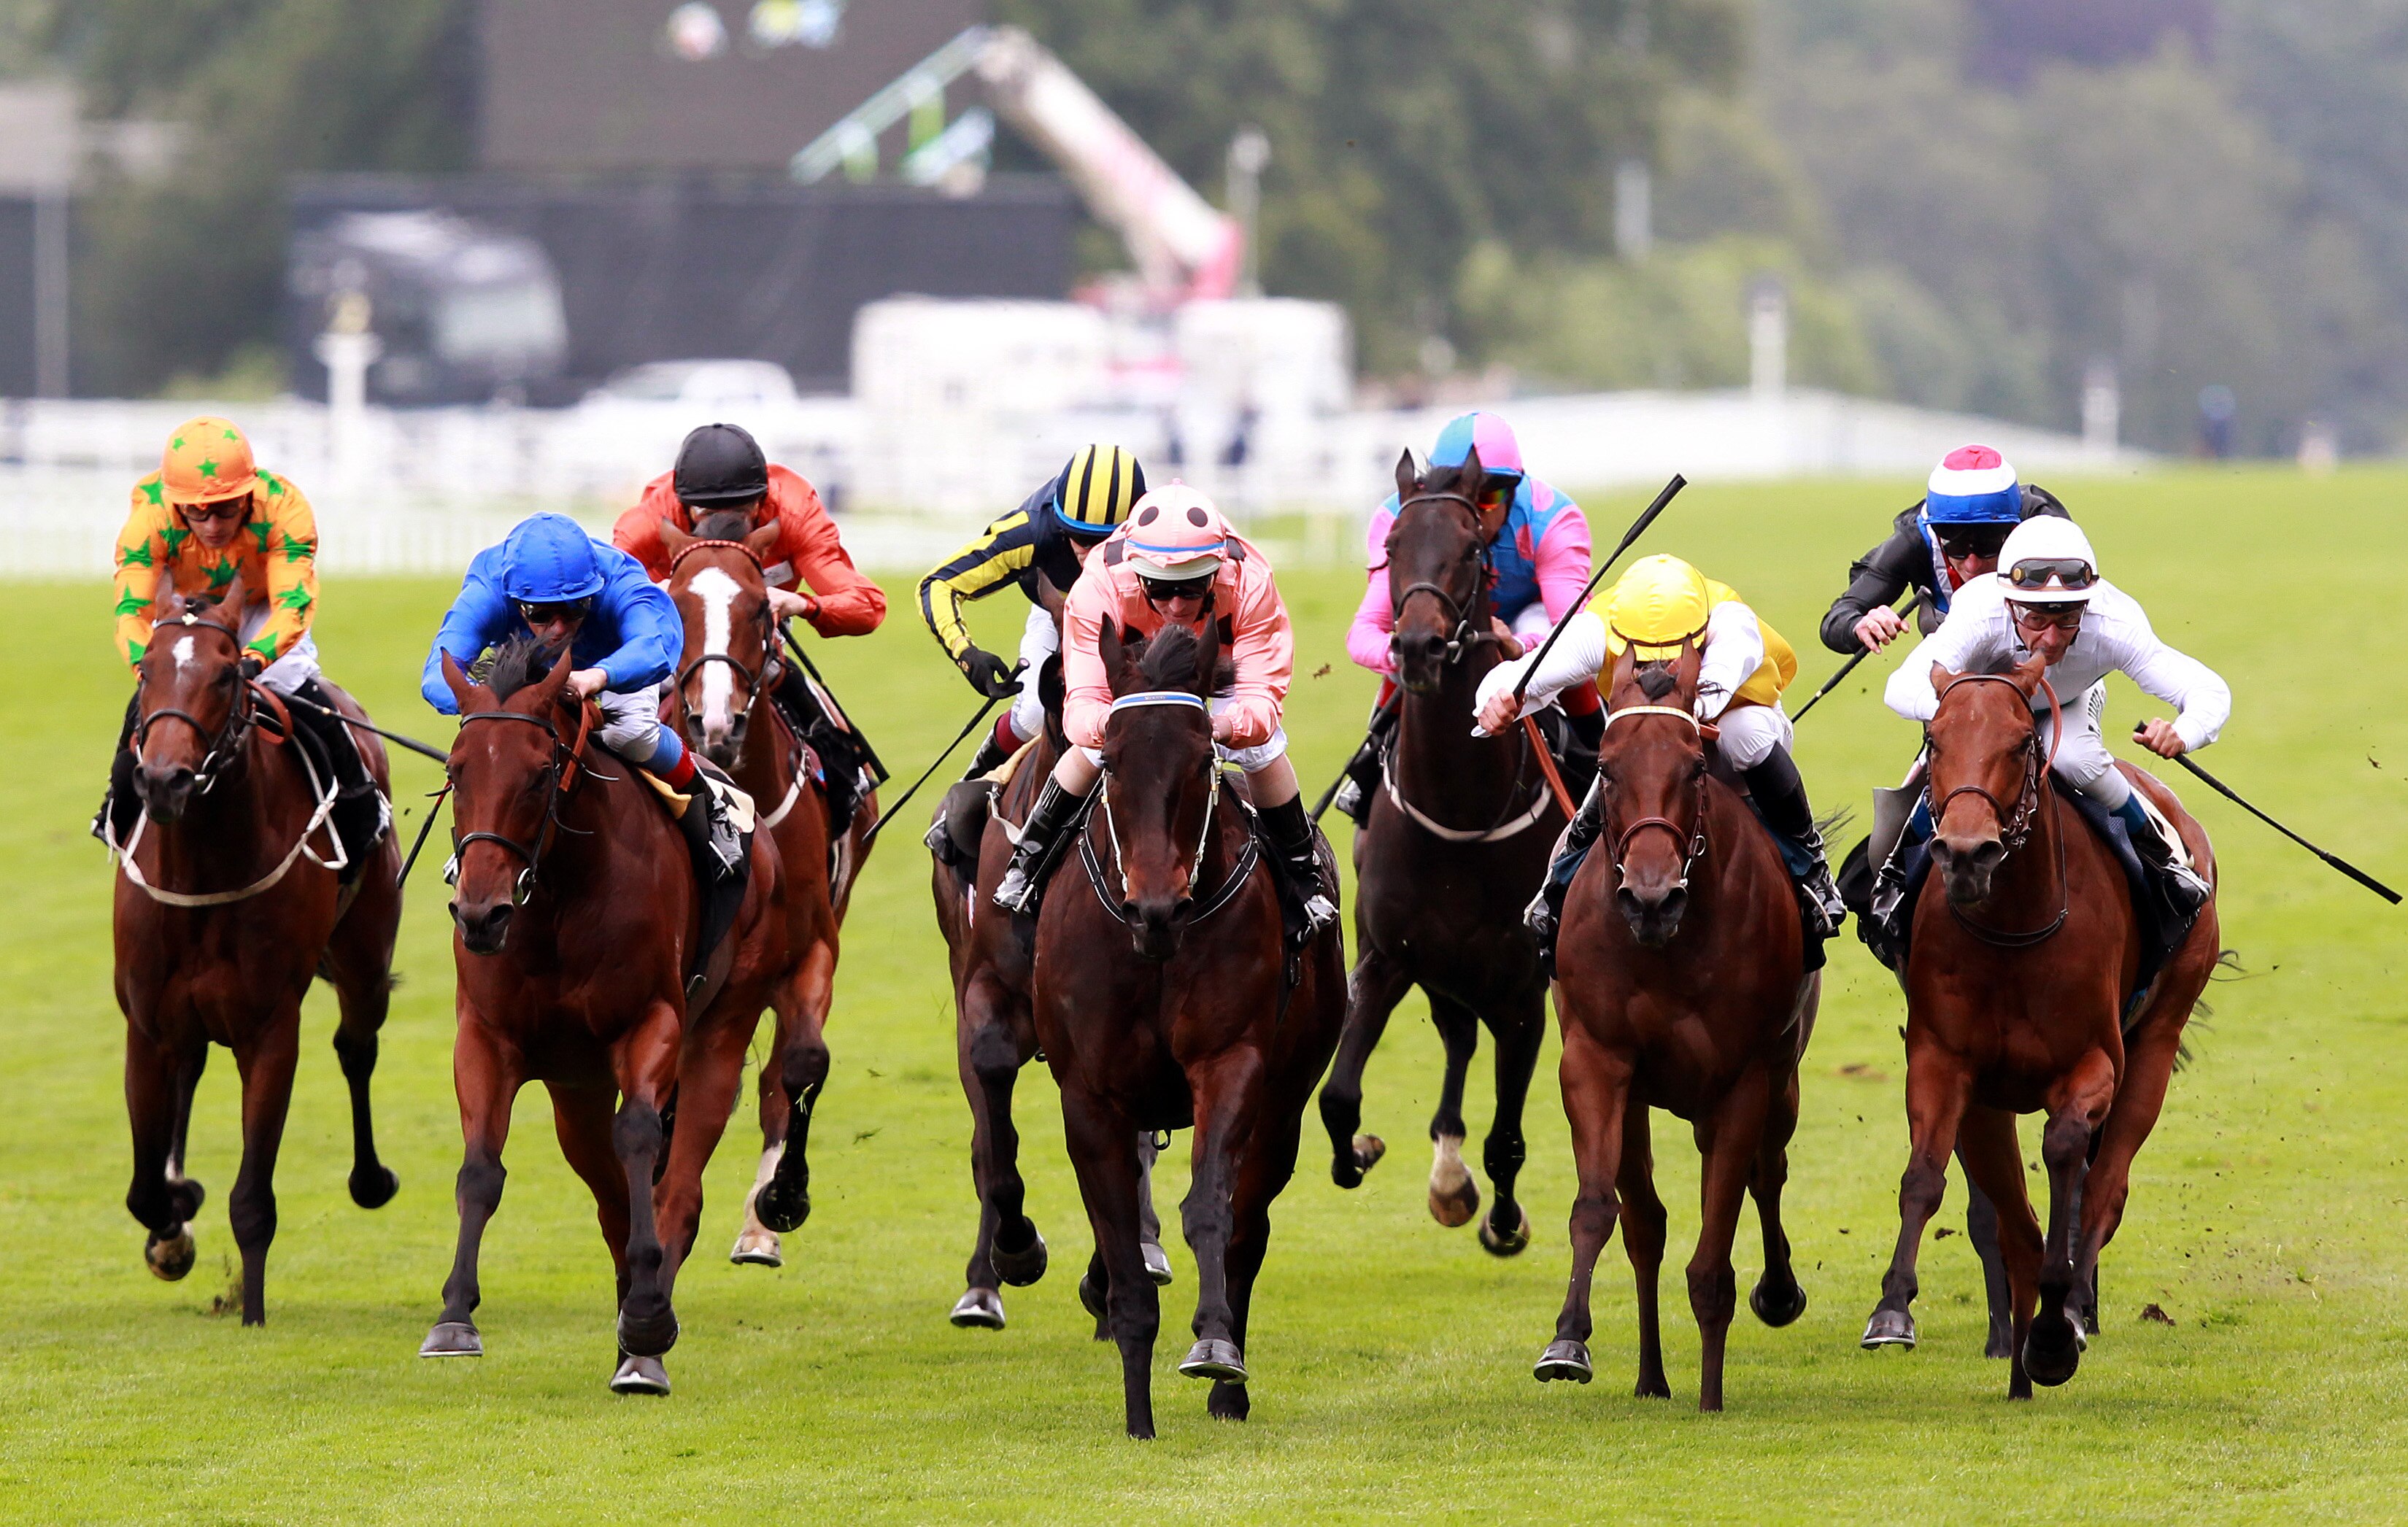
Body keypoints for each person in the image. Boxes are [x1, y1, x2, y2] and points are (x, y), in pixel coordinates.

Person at [990, 485, 1335, 933]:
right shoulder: (1100, 584)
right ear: (1138, 575)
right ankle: (1028, 862)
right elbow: (1083, 707)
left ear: (1216, 573)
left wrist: (1222, 727)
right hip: (1132, 669)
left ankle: (1303, 877)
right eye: (1160, 589)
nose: (1175, 605)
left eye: (1191, 589)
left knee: (1261, 748)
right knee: (1096, 751)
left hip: (1222, 661)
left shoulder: (1251, 581)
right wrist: (1117, 727)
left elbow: (1262, 697)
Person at [1475, 553, 1844, 947]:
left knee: (1745, 736)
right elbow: (1525, 674)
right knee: (1627, 754)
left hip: (1732, 715)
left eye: (1672, 653)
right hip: (1652, 734)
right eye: (1648, 656)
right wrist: (1496, 703)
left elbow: (1719, 683)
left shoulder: (1730, 619)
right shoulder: (1597, 628)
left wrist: (1681, 710)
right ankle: (1558, 887)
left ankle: (1810, 863)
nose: (1660, 665)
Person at [1882, 515, 2222, 911]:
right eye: (2036, 618)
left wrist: (2185, 731)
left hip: (2069, 700)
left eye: (2067, 619)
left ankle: (2162, 861)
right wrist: (1963, 717)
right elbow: (1901, 687)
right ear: (2009, 602)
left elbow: (2208, 690)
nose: (2051, 638)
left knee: (2076, 759)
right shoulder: (1979, 611)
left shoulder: (2114, 622)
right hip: (1978, 713)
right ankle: (1894, 874)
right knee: (1949, 767)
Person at [99, 415, 386, 874]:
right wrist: (147, 669)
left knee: (295, 687)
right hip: (185, 612)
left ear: (248, 495)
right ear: (176, 506)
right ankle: (119, 805)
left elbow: (292, 603)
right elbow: (131, 613)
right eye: (198, 512)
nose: (213, 524)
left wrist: (254, 661)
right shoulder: (149, 516)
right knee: (155, 700)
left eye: (228, 508)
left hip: (258, 608)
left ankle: (360, 806)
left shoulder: (284, 508)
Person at [422, 512, 736, 874]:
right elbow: (438, 673)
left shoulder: (619, 579)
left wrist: (598, 677)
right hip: (529, 668)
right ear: (513, 600)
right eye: (540, 613)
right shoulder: (488, 588)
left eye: (575, 609)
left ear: (594, 589)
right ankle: (480, 840)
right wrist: (482, 702)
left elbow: (655, 646)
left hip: (614, 659)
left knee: (630, 734)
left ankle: (711, 808)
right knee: (495, 744)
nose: (558, 629)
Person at [613, 422, 886, 831]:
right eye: (707, 515)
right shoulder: (651, 518)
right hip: (673, 650)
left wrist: (803, 603)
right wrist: (656, 594)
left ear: (762, 502)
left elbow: (866, 605)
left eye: (740, 513)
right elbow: (601, 597)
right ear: (683, 507)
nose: (723, 524)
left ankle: (843, 830)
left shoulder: (794, 510)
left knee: (846, 757)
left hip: (756, 649)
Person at [1335, 410, 1601, 824]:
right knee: (1409, 637)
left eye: (1489, 497)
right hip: (1442, 620)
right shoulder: (1399, 520)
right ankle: (1367, 775)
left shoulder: (1554, 522)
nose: (1476, 512)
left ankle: (1600, 768)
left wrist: (1520, 647)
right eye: (1464, 492)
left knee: (1570, 666)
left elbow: (1578, 629)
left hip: (1527, 621)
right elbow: (1364, 632)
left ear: (1514, 492)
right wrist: (1404, 655)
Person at [915, 444, 1146, 778]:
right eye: (1080, 539)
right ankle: (974, 788)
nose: (1091, 556)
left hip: (1138, 618)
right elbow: (938, 584)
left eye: (1107, 542)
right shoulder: (1031, 530)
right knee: (1034, 714)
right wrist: (966, 654)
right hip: (1059, 613)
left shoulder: (1159, 534)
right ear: (1059, 522)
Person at [1820, 444, 2071, 656]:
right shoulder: (1914, 540)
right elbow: (1836, 621)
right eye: (1956, 546)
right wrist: (1860, 625)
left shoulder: (2045, 528)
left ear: (2013, 527)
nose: (1972, 565)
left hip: (2053, 675)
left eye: (1988, 546)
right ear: (1936, 531)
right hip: (1958, 677)